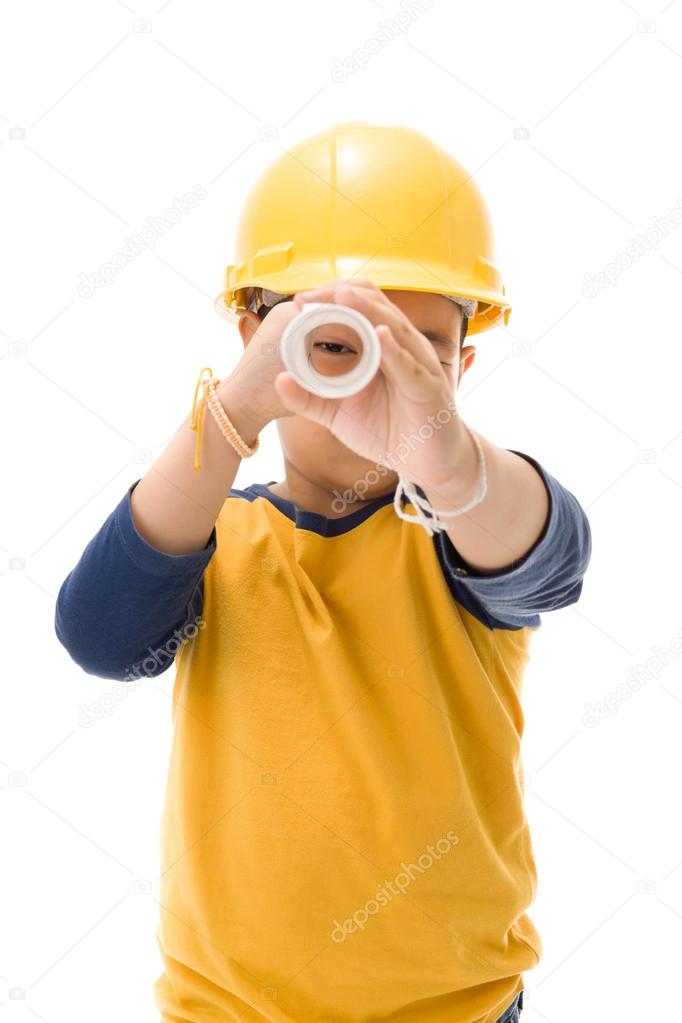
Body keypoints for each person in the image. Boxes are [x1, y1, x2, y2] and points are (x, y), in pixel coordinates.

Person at [55, 121, 592, 1023]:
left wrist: (444, 455)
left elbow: (549, 561)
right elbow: (99, 634)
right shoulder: (213, 535)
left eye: (418, 353)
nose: (376, 385)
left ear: (461, 366)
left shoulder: (457, 528)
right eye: (337, 344)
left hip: (455, 1008)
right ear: (258, 340)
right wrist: (236, 407)